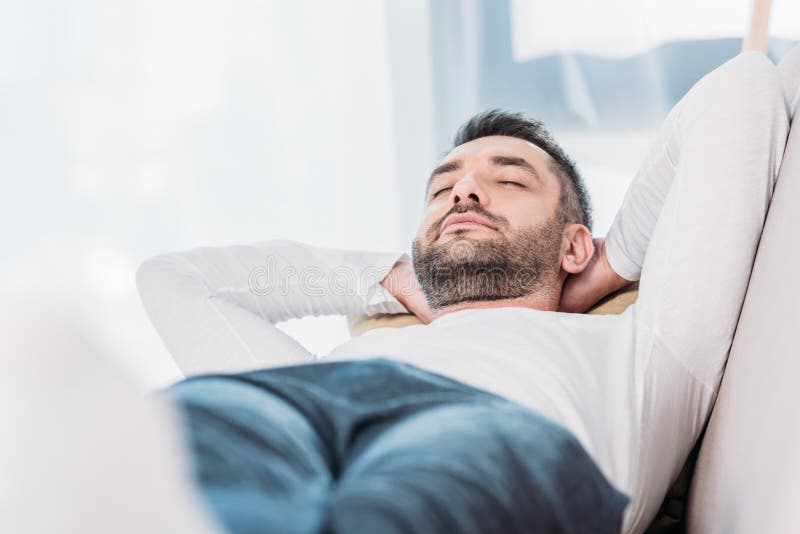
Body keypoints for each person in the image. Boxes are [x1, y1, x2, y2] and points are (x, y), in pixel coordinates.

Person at [1, 51, 791, 534]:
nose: (463, 193)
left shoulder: (646, 347)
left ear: (573, 241)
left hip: (498, 431)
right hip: (300, 403)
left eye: (508, 179)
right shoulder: (324, 365)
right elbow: (176, 281)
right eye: (443, 188)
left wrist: (606, 266)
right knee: (87, 404)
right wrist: (395, 277)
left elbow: (739, 91)